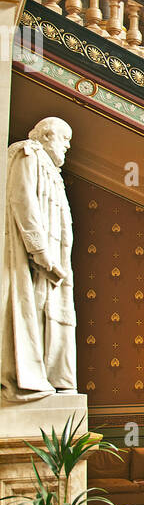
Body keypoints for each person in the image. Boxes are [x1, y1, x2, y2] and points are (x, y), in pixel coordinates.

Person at [2, 117, 77, 401]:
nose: (68, 146)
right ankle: (28, 379)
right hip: (34, 261)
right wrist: (42, 254)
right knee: (29, 317)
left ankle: (53, 378)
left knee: (52, 318)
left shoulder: (53, 173)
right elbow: (23, 203)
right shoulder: (27, 153)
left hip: (55, 267)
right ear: (46, 136)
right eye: (64, 138)